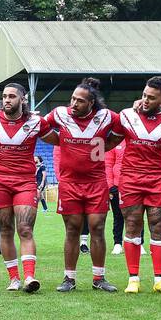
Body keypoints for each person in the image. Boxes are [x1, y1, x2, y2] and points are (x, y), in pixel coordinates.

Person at [40, 78, 122, 292]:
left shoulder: (105, 117)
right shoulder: (60, 114)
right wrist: (58, 140)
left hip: (96, 183)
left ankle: (99, 278)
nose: (73, 104)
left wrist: (105, 146)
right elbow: (40, 126)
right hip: (69, 183)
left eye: (79, 101)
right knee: (73, 229)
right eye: (73, 99)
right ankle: (69, 278)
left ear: (91, 103)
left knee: (97, 227)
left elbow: (122, 129)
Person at [117, 77, 161, 295]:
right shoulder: (127, 115)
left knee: (157, 226)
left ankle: (159, 280)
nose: (146, 100)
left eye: (151, 97)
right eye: (144, 95)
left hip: (158, 180)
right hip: (130, 179)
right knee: (132, 224)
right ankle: (133, 279)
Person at [0, 82, 44, 292]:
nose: (7, 100)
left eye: (11, 96)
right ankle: (14, 279)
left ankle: (29, 277)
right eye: (4, 96)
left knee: (25, 229)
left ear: (23, 99)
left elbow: (61, 135)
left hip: (25, 182)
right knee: (6, 230)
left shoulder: (36, 122)